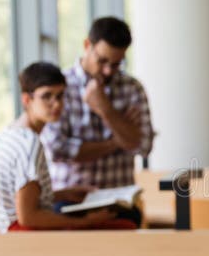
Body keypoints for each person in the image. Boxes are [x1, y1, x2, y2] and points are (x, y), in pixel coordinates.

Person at [0, 62, 135, 232]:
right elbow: (27, 217)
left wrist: (62, 194)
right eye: (47, 96)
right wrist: (86, 222)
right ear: (27, 99)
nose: (56, 104)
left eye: (60, 96)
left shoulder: (10, 134)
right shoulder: (29, 143)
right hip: (23, 235)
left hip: (8, 232)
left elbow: (21, 200)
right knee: (126, 224)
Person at [40, 16, 153, 228]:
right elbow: (58, 150)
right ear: (87, 46)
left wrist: (105, 109)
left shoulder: (133, 89)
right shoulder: (59, 88)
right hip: (70, 202)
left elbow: (143, 146)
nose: (108, 70)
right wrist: (118, 141)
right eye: (102, 61)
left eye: (116, 64)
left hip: (119, 202)